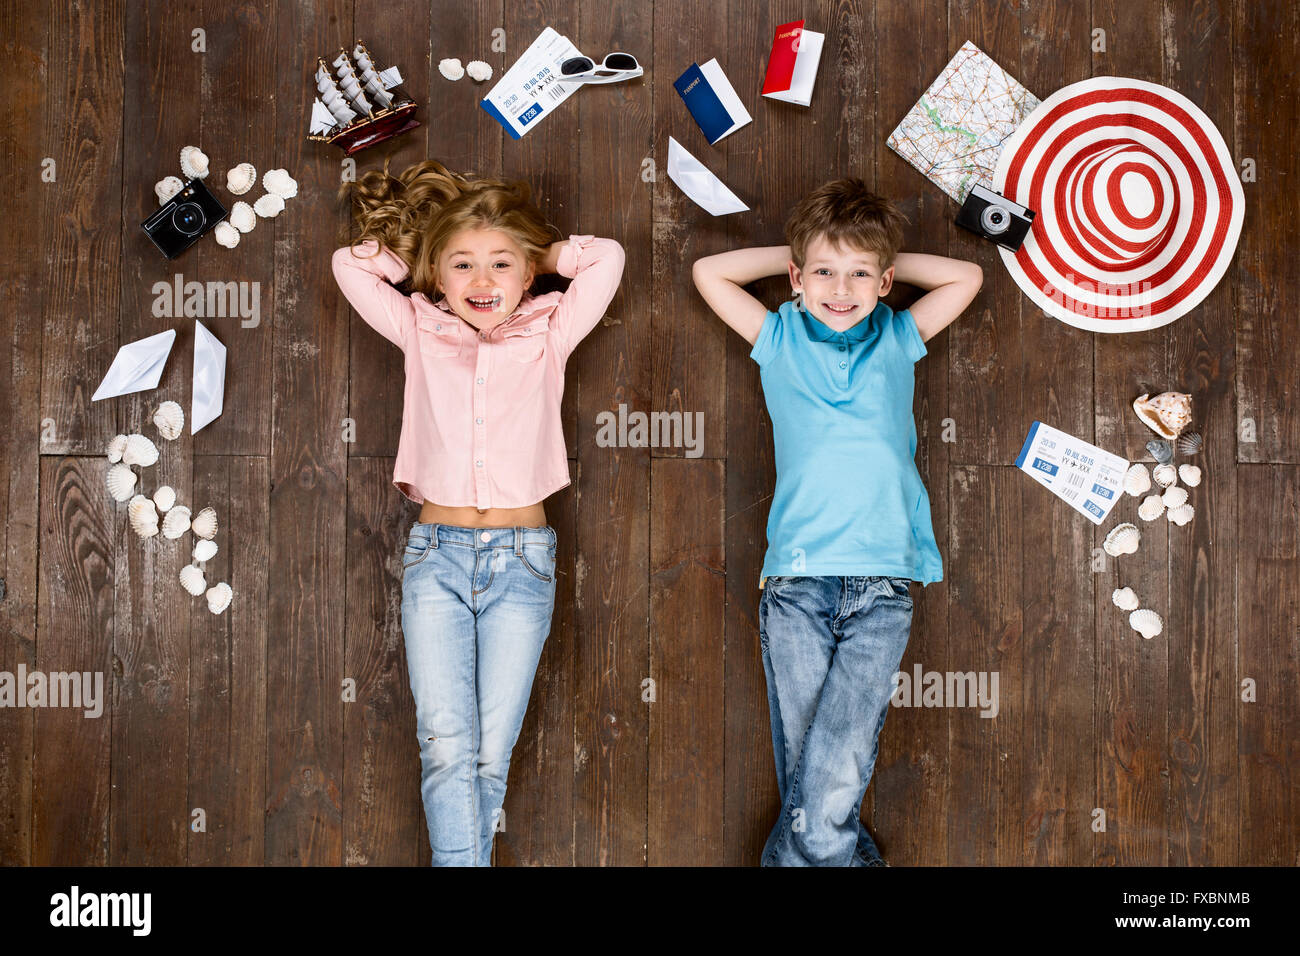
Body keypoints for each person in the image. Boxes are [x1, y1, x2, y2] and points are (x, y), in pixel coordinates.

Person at [331, 159, 625, 865]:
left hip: (524, 562)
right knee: (447, 748)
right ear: (437, 276)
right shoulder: (419, 328)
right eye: (463, 265)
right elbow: (348, 264)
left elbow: (606, 258)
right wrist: (422, 257)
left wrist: (536, 251)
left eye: (502, 264)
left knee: (489, 755)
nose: (484, 281)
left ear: (528, 275)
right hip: (437, 557)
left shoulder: (550, 333)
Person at [691, 179, 982, 866]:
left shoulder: (897, 335)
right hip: (797, 581)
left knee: (829, 770)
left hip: (884, 580)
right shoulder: (779, 335)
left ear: (884, 281)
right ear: (796, 277)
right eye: (823, 271)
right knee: (817, 781)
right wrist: (808, 253)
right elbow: (710, 272)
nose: (840, 288)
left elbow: (966, 276)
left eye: (859, 275)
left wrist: (879, 259)